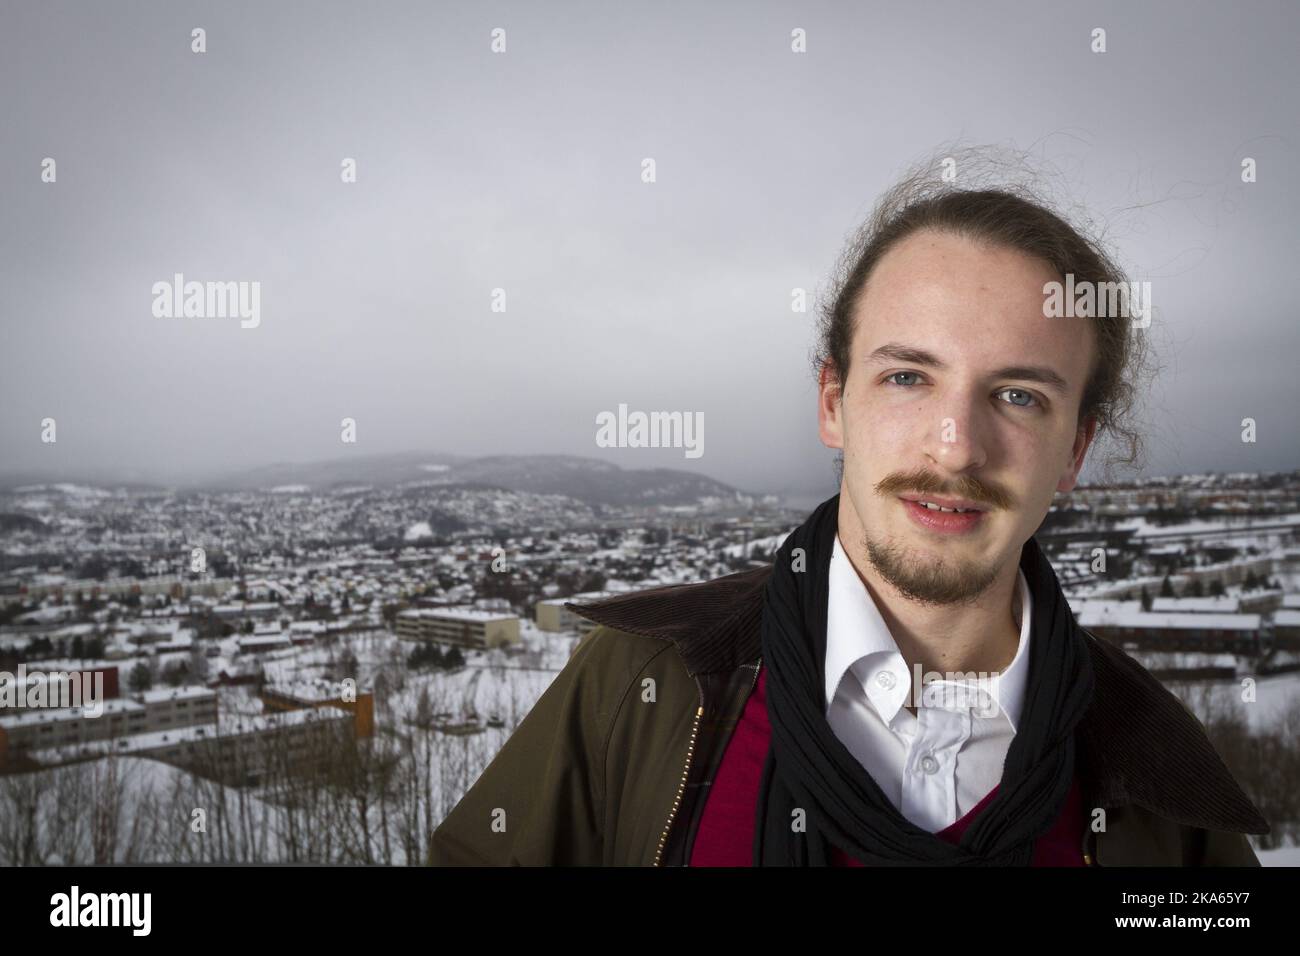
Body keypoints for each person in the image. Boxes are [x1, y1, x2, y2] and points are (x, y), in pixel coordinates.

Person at [429, 159, 1268, 866]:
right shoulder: (645, 681)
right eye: (907, 377)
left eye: (1018, 395)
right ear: (833, 402)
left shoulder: (1156, 770)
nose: (955, 448)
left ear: (1075, 449)